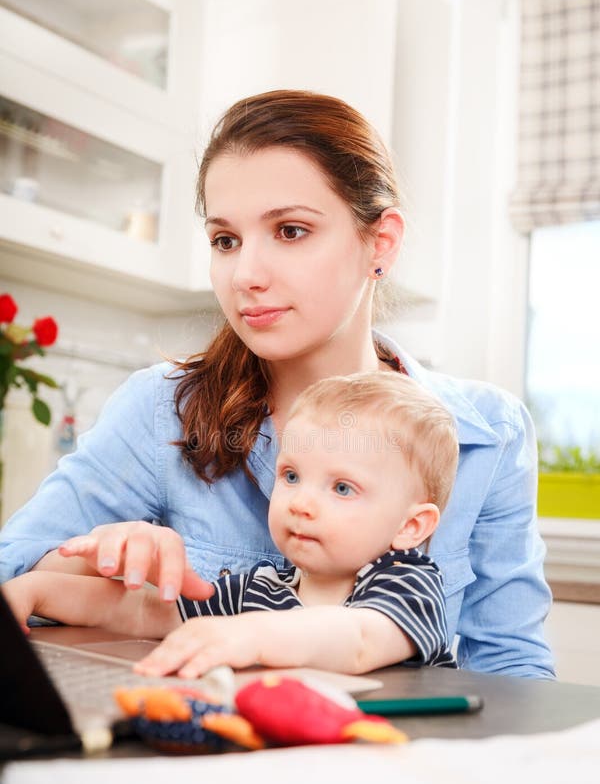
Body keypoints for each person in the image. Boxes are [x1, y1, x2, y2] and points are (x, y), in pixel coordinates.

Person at [0, 89, 555, 679]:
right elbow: (18, 578)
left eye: (290, 231)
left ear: (381, 243)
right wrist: (99, 562)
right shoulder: (159, 408)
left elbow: (513, 673)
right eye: (225, 240)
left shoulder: (489, 432)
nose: (246, 275)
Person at [4, 372, 458, 676]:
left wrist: (248, 634)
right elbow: (144, 611)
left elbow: (358, 639)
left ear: (411, 527)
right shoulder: (260, 591)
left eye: (342, 488)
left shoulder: (409, 585)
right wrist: (40, 590)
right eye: (292, 476)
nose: (301, 503)